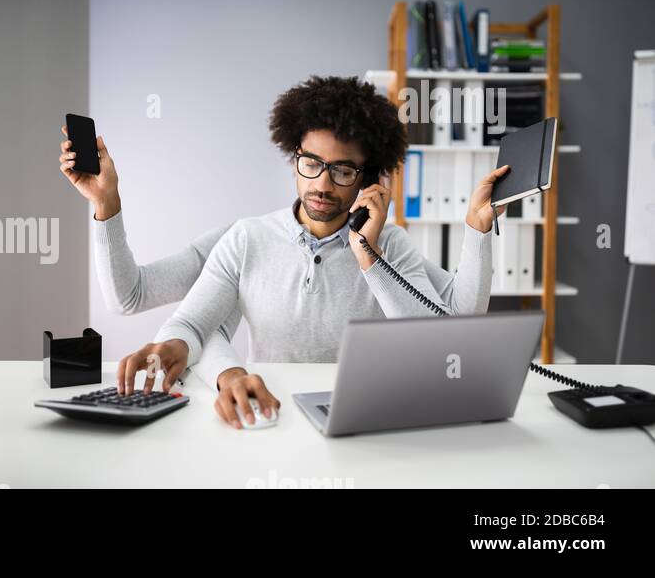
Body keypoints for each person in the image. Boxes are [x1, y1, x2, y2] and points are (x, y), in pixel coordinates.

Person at [58, 76, 505, 429]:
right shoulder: (247, 238)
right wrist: (105, 205)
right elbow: (191, 322)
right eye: (311, 164)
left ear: (370, 178)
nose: (323, 185)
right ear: (294, 158)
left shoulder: (391, 245)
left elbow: (450, 325)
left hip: (366, 419)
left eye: (343, 170)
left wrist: (466, 231)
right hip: (273, 413)